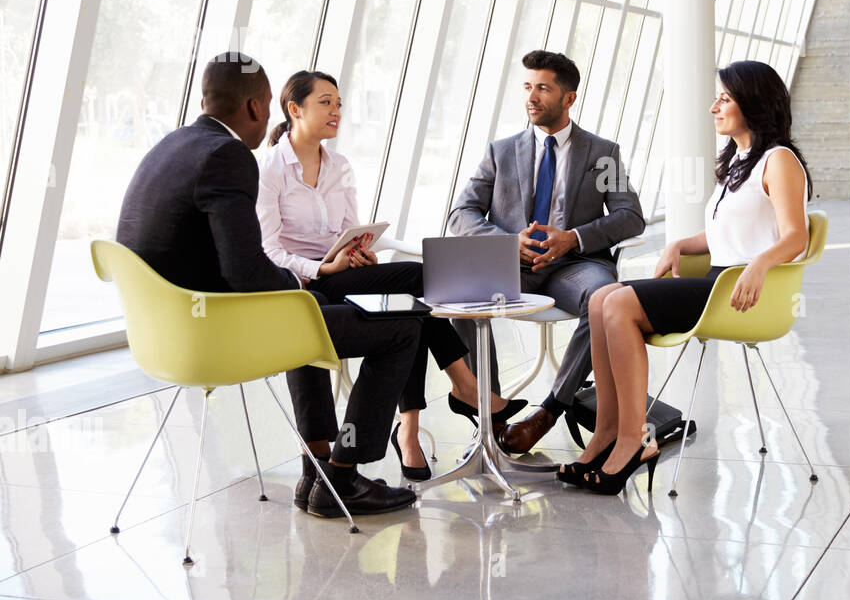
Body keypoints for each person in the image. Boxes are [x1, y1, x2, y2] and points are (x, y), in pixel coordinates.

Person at [115, 53, 418, 518]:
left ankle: (317, 475)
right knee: (399, 328)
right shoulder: (228, 155)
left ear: (204, 101)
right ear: (258, 108)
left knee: (304, 307)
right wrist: (303, 281)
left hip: (165, 336)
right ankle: (343, 476)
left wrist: (302, 287)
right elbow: (246, 273)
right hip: (214, 334)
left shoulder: (171, 145)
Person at [256, 70, 523, 482]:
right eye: (326, 102)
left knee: (412, 288)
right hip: (303, 281)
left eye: (339, 104)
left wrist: (358, 252)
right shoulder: (271, 169)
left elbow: (348, 229)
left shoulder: (339, 166)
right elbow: (269, 250)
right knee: (406, 302)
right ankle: (458, 391)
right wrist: (322, 268)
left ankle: (418, 425)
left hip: (338, 274)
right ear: (295, 109)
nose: (336, 112)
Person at [564, 60, 813, 494]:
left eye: (724, 98)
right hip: (718, 281)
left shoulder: (780, 161)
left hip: (739, 292)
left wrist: (758, 264)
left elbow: (797, 238)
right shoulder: (738, 159)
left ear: (753, 104)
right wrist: (682, 244)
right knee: (601, 298)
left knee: (618, 303)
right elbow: (728, 231)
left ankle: (633, 437)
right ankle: (606, 432)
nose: (713, 106)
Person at [448, 50, 645, 454]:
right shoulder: (500, 152)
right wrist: (506, 242)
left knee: (608, 298)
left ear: (568, 98)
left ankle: (550, 410)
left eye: (543, 88)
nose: (531, 97)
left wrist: (573, 237)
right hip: (511, 264)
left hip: (574, 267)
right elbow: (461, 212)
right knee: (460, 288)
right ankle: (490, 410)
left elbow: (630, 216)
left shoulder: (601, 153)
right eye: (527, 87)